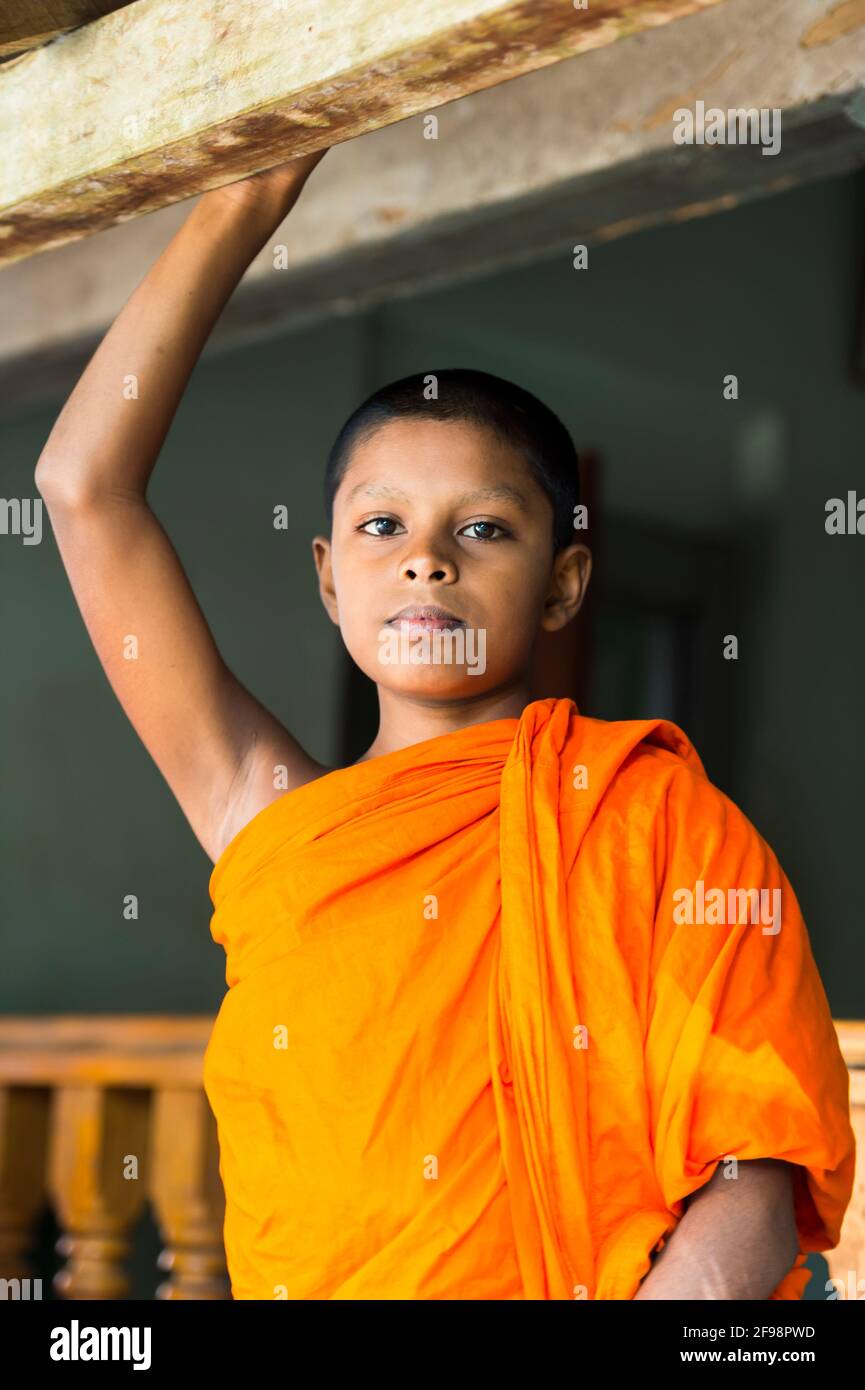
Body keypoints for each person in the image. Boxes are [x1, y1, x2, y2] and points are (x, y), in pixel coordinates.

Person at [34, 149, 855, 1301]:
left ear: (565, 583)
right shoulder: (269, 815)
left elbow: (755, 1174)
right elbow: (82, 486)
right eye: (381, 524)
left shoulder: (654, 818)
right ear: (329, 579)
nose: (425, 553)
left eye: (485, 529)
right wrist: (239, 202)